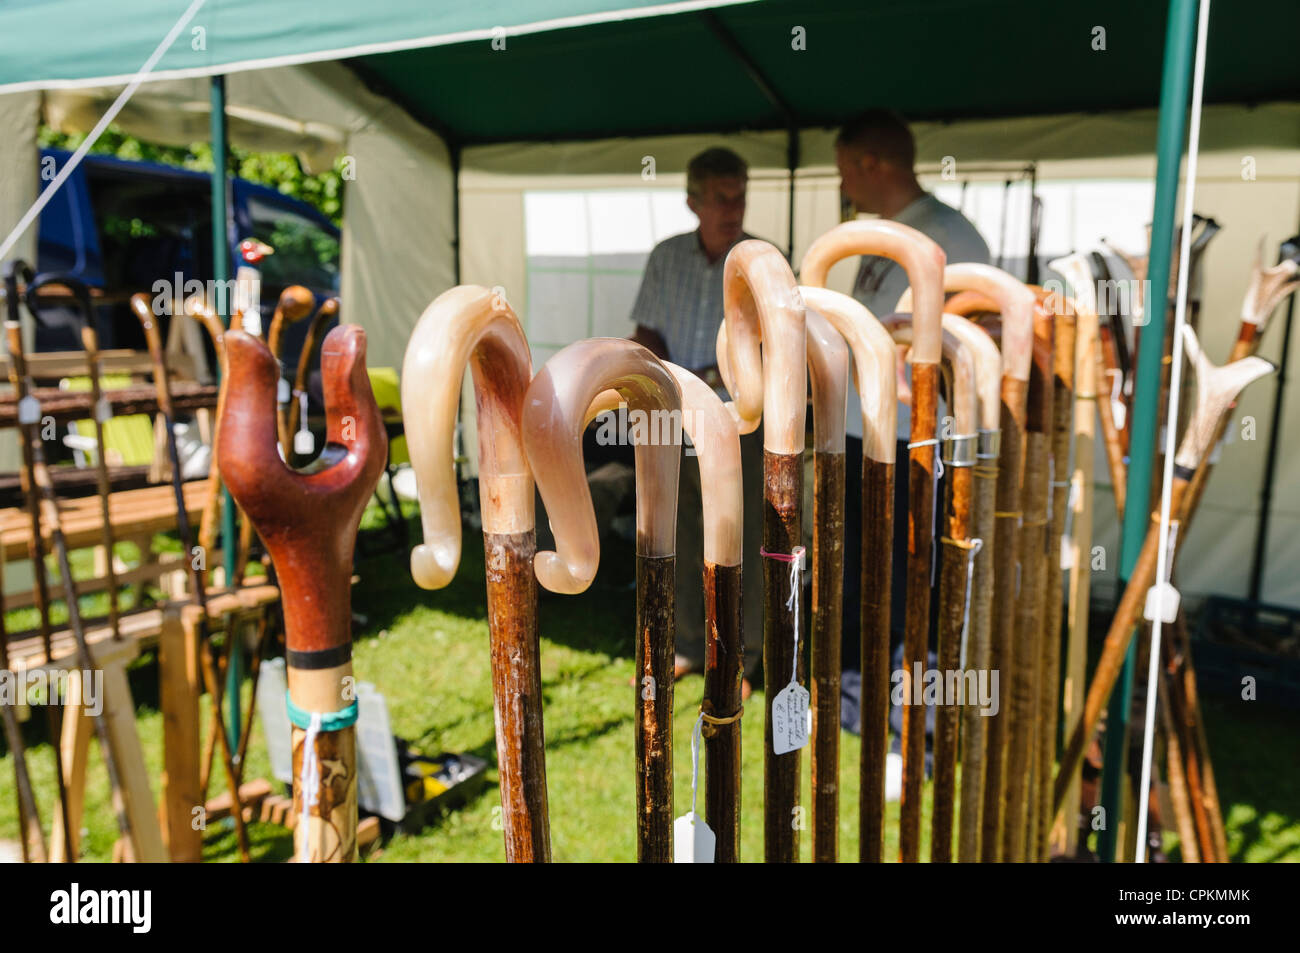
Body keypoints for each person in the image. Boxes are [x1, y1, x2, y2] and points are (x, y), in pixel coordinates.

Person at [833, 109, 990, 796]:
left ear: (871, 163)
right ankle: (859, 711)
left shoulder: (952, 238)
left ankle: (913, 733)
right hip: (861, 443)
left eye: (844, 169)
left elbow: (970, 354)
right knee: (865, 586)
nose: (843, 184)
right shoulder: (874, 240)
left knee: (913, 596)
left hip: (917, 452)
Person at [628, 147, 763, 695]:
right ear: (692, 201)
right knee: (676, 528)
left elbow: (778, 341)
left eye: (739, 195)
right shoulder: (665, 256)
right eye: (720, 197)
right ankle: (685, 643)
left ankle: (744, 657)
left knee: (741, 532)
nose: (732, 208)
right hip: (677, 411)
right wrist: (669, 379)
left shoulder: (761, 258)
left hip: (741, 418)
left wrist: (729, 376)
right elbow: (645, 331)